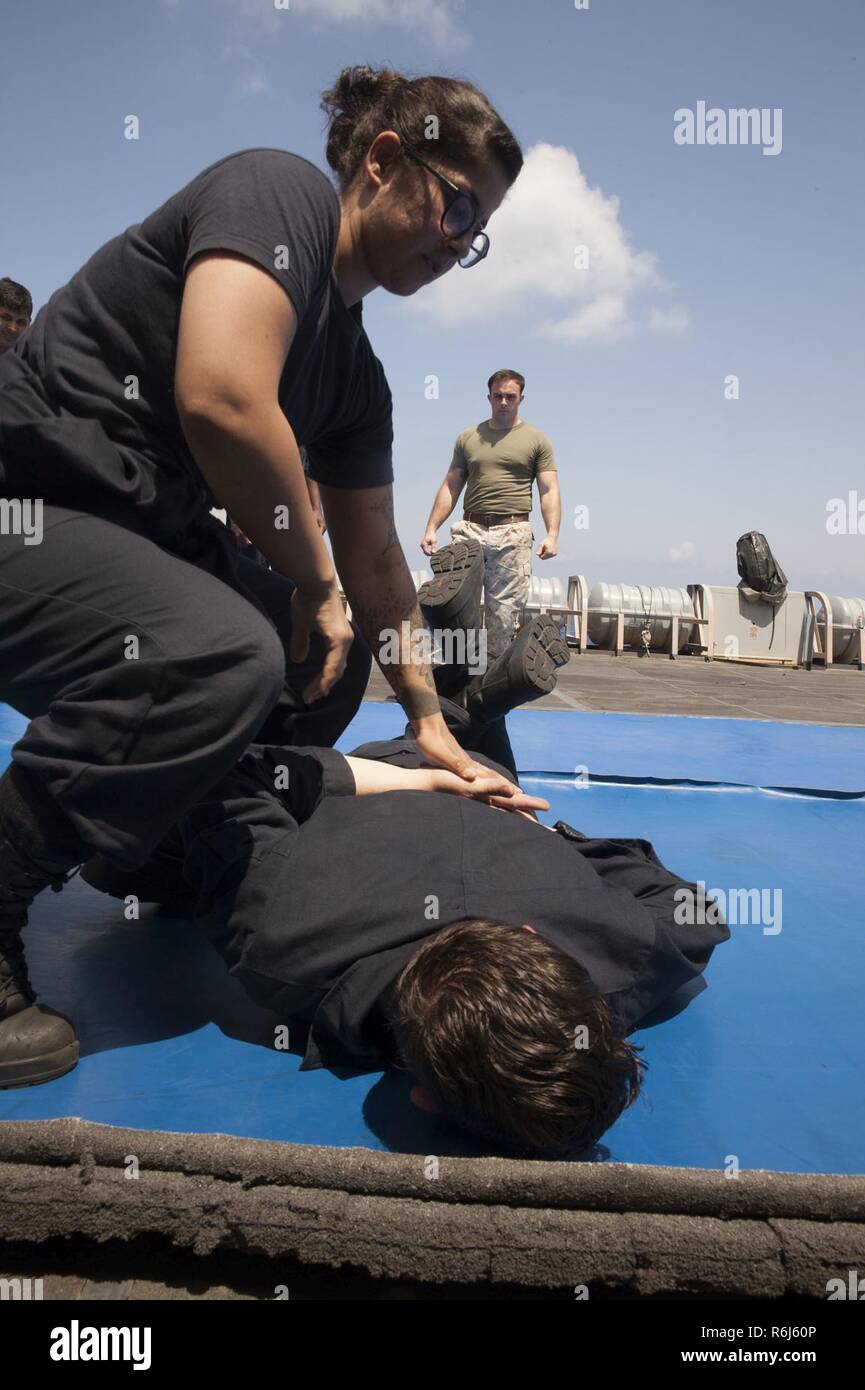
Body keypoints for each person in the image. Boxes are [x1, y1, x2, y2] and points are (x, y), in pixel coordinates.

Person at [0, 66, 525, 1085]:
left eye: (478, 229)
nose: (458, 241)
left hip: (126, 544)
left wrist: (427, 721)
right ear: (382, 159)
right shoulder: (272, 191)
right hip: (25, 502)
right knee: (225, 649)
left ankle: (147, 841)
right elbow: (224, 397)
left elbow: (378, 561)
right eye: (455, 202)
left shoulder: (355, 378)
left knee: (315, 671)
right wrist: (311, 582)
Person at [81, 612, 728, 1159]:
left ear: (534, 937)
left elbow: (686, 904)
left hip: (469, 784)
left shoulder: (625, 953)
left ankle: (460, 709)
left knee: (122, 866)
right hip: (380, 780)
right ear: (423, 1093)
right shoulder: (286, 939)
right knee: (131, 858)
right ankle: (456, 709)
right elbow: (224, 775)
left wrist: (554, 840)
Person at [421, 370, 562, 658]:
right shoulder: (468, 438)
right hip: (470, 528)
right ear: (489, 398)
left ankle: (488, 683)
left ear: (521, 398)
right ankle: (454, 671)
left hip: (513, 533)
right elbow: (451, 485)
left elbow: (549, 490)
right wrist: (431, 527)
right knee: (453, 602)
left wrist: (552, 534)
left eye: (510, 396)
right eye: (498, 396)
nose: (504, 402)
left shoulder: (537, 440)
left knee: (502, 616)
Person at [0, 279, 32, 355]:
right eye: (6, 318)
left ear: (29, 324)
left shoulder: (35, 364)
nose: (13, 328)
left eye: (21, 323)